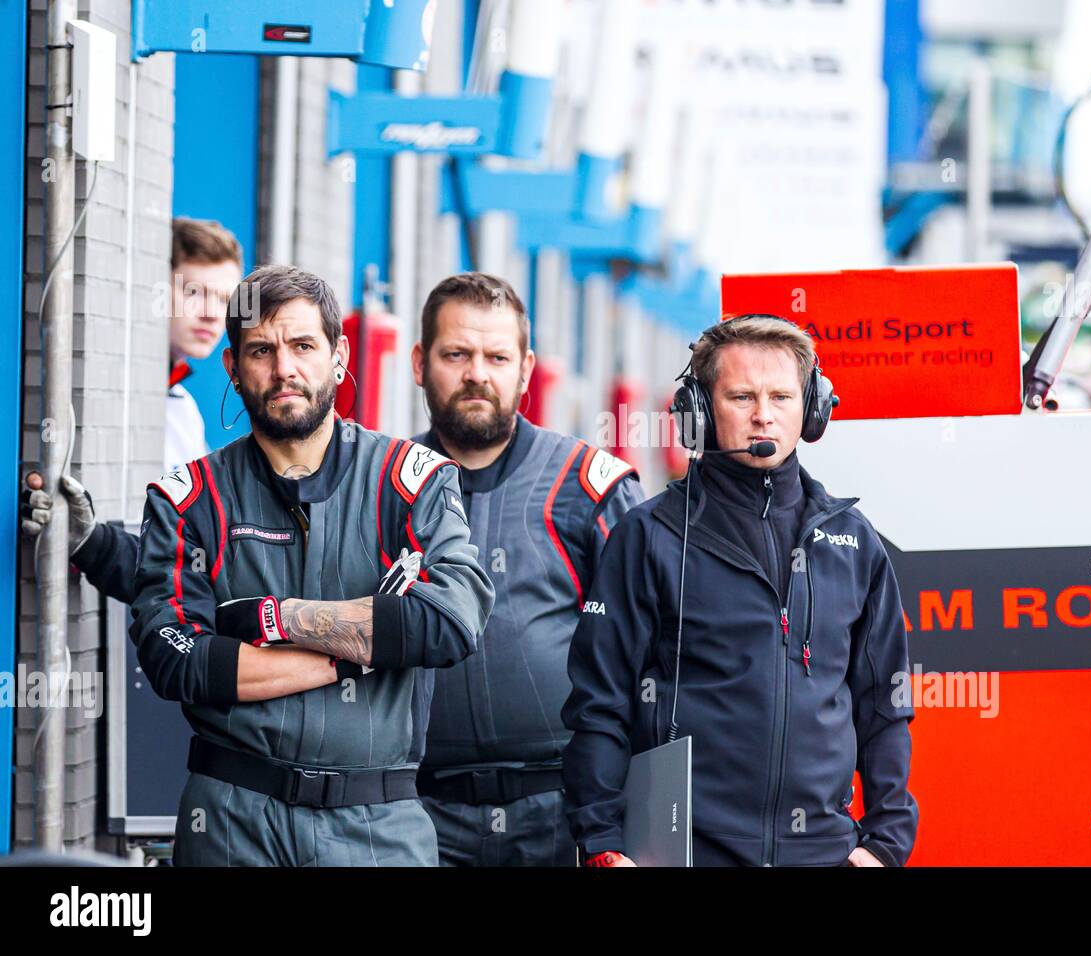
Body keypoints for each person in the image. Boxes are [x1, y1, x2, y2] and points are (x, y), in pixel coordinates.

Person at [129, 264, 494, 866]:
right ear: (232, 368)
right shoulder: (187, 499)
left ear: (339, 354)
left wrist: (277, 618)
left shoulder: (411, 482)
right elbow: (176, 660)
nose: (284, 370)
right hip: (230, 821)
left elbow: (453, 623)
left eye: (303, 346)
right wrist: (360, 645)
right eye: (261, 351)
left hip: (378, 826)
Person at [562, 314, 918, 867]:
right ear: (697, 412)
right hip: (685, 855)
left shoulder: (852, 541)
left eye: (781, 396)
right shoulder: (648, 537)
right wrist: (603, 844)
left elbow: (885, 706)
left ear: (813, 408)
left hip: (826, 855)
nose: (763, 415)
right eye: (741, 396)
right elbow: (599, 707)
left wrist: (884, 844)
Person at [411, 273, 643, 866]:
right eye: (456, 354)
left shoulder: (589, 486)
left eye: (497, 356)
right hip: (417, 819)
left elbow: (657, 651)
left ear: (525, 368)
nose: (477, 374)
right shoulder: (382, 486)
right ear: (419, 362)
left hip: (565, 815)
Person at [20, 218, 244, 604]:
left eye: (224, 300)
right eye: (195, 292)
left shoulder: (184, 410)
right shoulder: (102, 385)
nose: (212, 314)